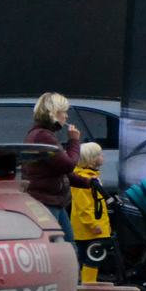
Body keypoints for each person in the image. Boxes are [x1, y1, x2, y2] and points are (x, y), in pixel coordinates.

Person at [23, 92, 86, 244]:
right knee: (63, 247)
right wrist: (74, 141)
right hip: (46, 201)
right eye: (63, 111)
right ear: (54, 113)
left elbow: (57, 170)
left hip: (53, 200)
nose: (66, 116)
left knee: (69, 246)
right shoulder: (43, 137)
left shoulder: (42, 135)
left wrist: (88, 183)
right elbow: (68, 165)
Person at [71, 143, 111, 284]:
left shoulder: (90, 177)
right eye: (100, 154)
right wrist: (92, 224)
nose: (103, 157)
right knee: (93, 256)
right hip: (90, 229)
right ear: (92, 159)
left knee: (90, 256)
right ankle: (88, 284)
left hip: (92, 227)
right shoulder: (83, 180)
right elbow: (83, 207)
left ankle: (86, 283)